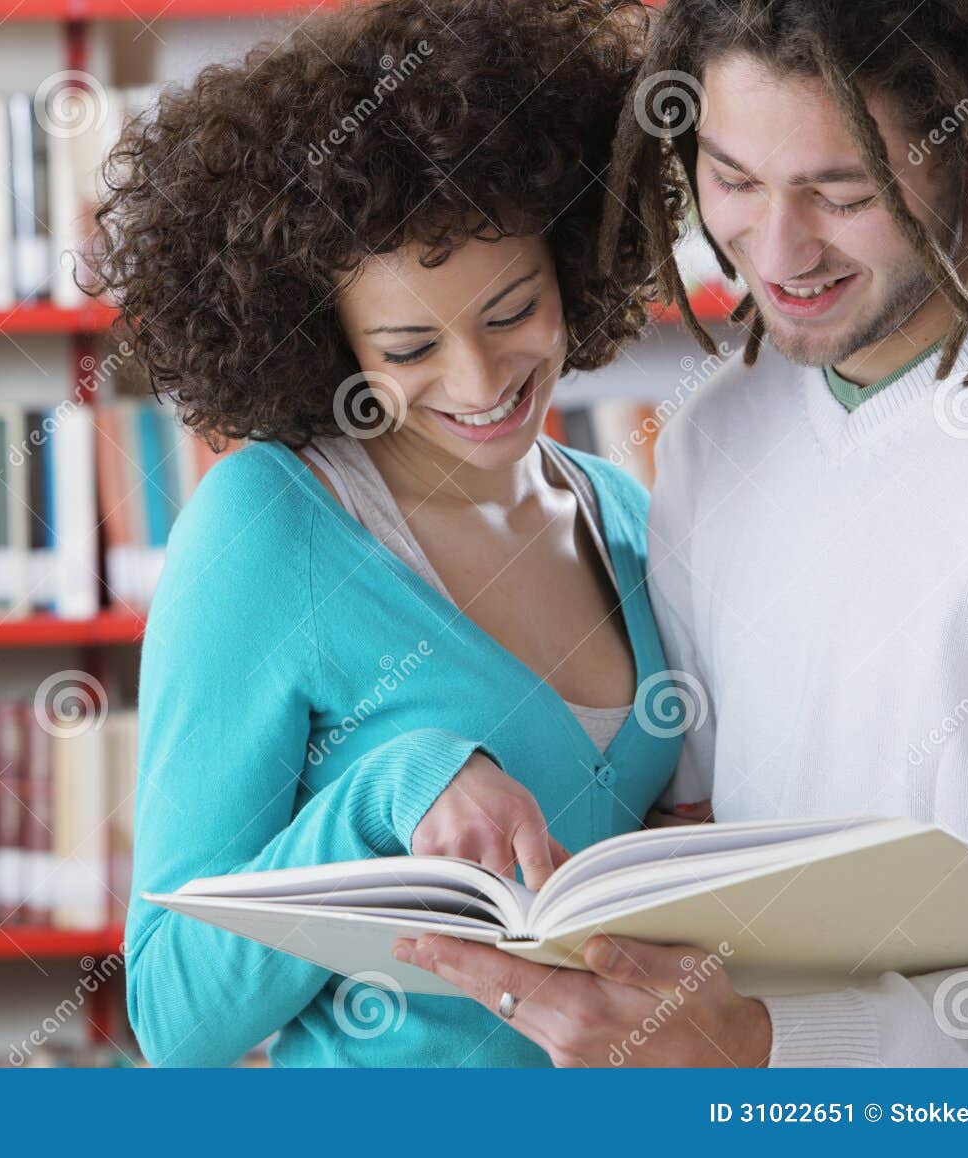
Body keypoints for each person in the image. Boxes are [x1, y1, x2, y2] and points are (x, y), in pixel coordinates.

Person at [396, 0, 968, 1067]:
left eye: (843, 193)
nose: (776, 252)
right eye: (732, 181)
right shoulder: (711, 434)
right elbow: (700, 823)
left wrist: (771, 1045)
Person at [92, 0, 687, 1066]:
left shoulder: (627, 516)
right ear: (332, 346)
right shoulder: (268, 528)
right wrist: (386, 794)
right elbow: (173, 1014)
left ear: (573, 261)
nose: (480, 379)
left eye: (512, 310)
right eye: (410, 348)